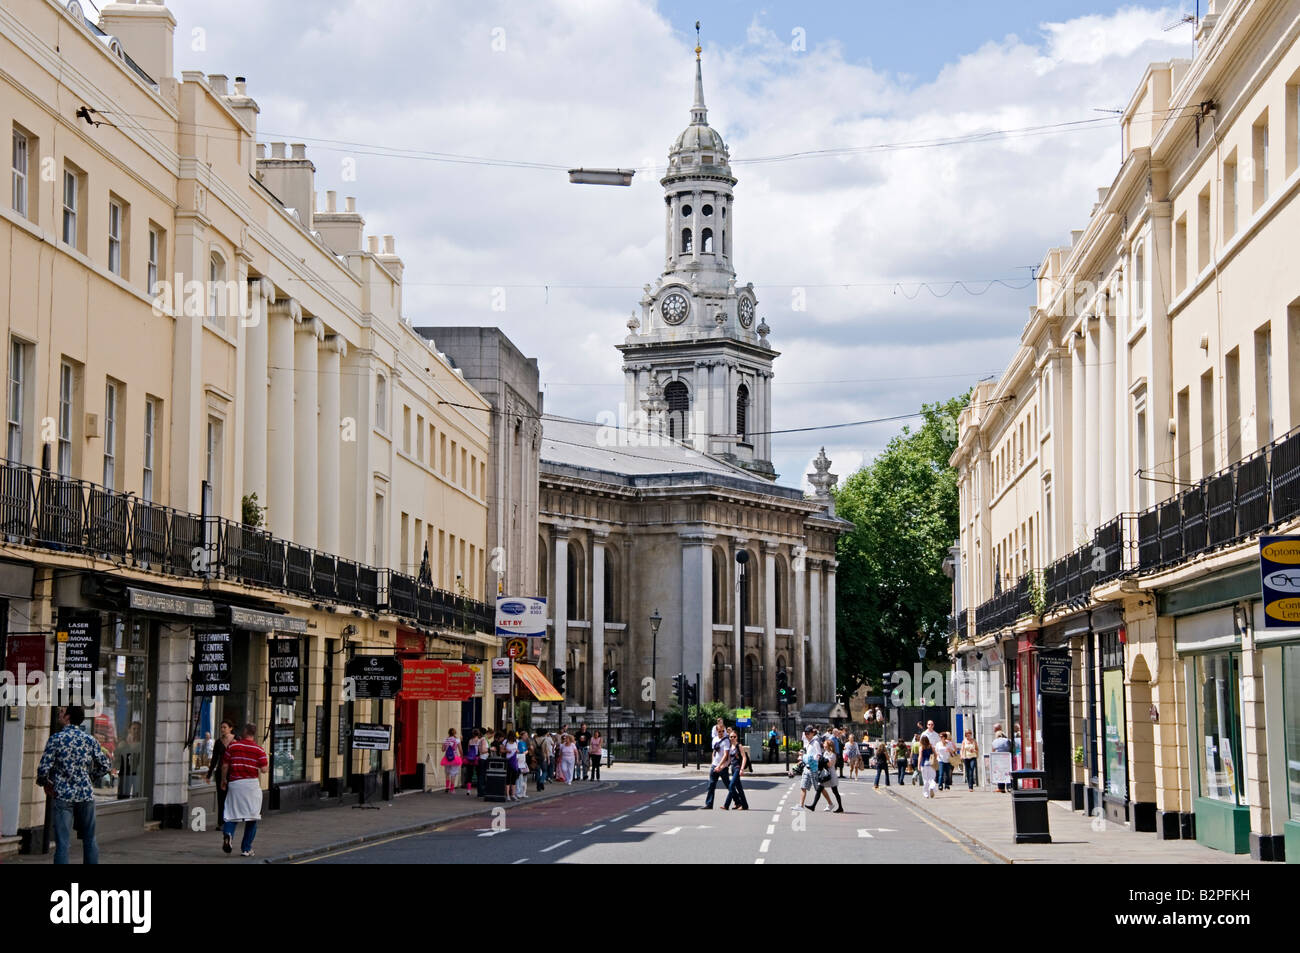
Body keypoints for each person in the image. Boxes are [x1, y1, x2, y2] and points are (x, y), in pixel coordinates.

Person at [36, 705, 113, 865]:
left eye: (62, 712)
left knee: (63, 844)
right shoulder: (89, 739)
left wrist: (46, 783)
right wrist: (90, 777)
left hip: (63, 794)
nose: (59, 714)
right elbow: (105, 765)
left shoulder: (56, 739)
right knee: (89, 839)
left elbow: (43, 769)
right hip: (85, 795)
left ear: (68, 717)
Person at [220, 722, 268, 856]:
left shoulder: (233, 746)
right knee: (252, 817)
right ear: (253, 733)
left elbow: (225, 765)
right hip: (251, 785)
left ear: (245, 732)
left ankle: (228, 834)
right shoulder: (259, 750)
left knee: (231, 814)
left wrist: (224, 780)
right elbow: (264, 770)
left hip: (235, 784)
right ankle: (246, 849)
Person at [207, 719, 235, 827]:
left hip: (233, 772)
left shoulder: (236, 740)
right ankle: (220, 822)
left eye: (225, 727)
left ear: (230, 728)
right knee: (221, 797)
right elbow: (214, 759)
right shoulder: (218, 742)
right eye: (221, 727)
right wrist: (209, 775)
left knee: (231, 797)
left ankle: (230, 820)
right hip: (220, 772)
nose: (222, 729)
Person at [704, 722, 731, 808]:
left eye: (723, 731)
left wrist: (719, 766)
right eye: (719, 731)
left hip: (722, 767)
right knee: (711, 785)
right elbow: (714, 752)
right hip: (714, 766)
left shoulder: (726, 740)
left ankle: (737, 801)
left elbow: (726, 755)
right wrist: (713, 763)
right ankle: (709, 804)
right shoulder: (715, 739)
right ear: (717, 731)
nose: (721, 733)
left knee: (728, 785)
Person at [814, 738, 844, 812]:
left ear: (829, 746)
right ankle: (813, 805)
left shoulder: (833, 754)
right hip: (825, 774)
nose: (823, 745)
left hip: (831, 774)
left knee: (835, 792)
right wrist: (821, 760)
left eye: (825, 744)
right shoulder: (825, 753)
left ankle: (840, 807)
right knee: (819, 789)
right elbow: (823, 762)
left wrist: (822, 760)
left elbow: (829, 764)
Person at [722, 729, 749, 810]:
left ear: (737, 737)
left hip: (737, 768)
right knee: (739, 788)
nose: (732, 738)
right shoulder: (730, 747)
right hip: (732, 768)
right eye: (731, 737)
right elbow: (729, 760)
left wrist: (742, 769)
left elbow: (744, 757)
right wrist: (721, 766)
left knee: (731, 785)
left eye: (734, 736)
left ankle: (726, 805)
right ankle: (744, 805)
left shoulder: (739, 746)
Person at [463, 729, 482, 795]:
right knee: (478, 773)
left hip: (470, 758)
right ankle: (479, 790)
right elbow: (480, 750)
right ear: (478, 734)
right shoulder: (479, 741)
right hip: (476, 758)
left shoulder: (470, 741)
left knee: (469, 774)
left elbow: (468, 750)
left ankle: (468, 790)